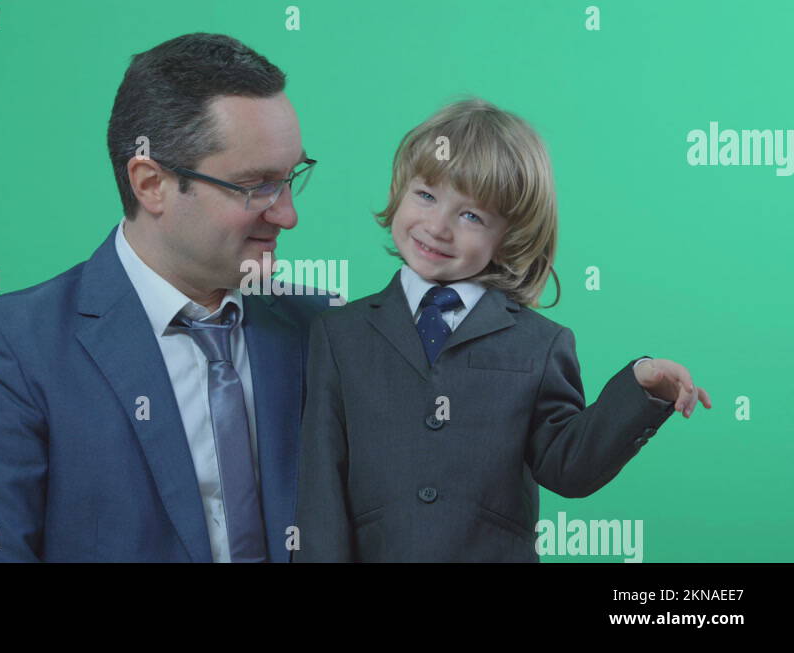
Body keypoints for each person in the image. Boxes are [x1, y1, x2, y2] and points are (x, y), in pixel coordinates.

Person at [0, 33, 328, 562]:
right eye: (256, 186)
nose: (287, 214)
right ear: (151, 183)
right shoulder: (11, 352)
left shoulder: (323, 330)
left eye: (292, 176)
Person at [292, 97, 712, 562]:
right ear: (399, 190)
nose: (437, 227)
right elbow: (320, 491)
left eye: (471, 216)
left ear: (510, 236)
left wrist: (641, 388)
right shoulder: (339, 333)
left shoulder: (540, 343)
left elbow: (568, 467)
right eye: (426, 196)